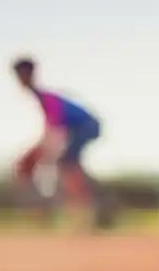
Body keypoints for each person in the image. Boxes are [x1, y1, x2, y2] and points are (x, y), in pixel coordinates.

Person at [10, 57, 113, 230]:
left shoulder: (48, 99)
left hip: (86, 127)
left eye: (23, 74)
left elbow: (55, 131)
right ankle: (83, 208)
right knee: (64, 164)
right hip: (78, 129)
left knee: (66, 164)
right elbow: (52, 132)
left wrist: (43, 154)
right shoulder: (43, 98)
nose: (21, 79)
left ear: (30, 74)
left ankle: (84, 214)